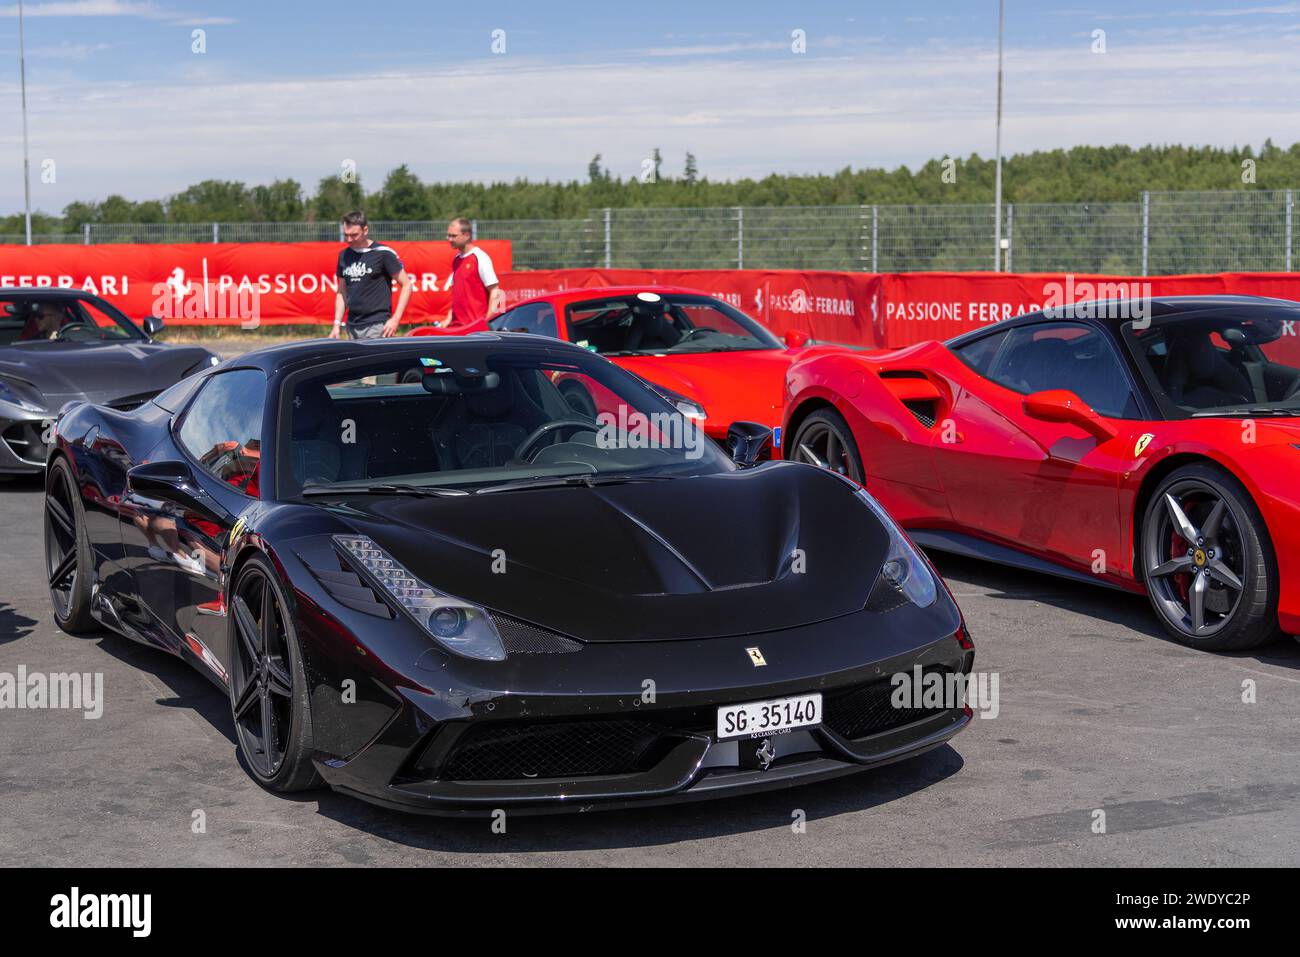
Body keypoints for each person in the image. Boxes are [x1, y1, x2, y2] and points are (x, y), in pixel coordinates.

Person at [331, 211, 413, 339]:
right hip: (352, 326)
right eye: (346, 235)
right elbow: (342, 292)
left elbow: (407, 285)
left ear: (365, 230)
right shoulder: (344, 255)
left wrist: (395, 319)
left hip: (378, 326)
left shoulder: (383, 253)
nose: (349, 240)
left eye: (354, 235)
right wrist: (336, 324)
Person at [443, 217, 504, 328]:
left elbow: (495, 291)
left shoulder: (480, 257)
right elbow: (458, 295)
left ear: (466, 236)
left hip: (475, 330)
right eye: (448, 235)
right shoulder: (456, 259)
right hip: (457, 328)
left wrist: (488, 321)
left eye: (453, 236)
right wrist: (448, 318)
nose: (449, 239)